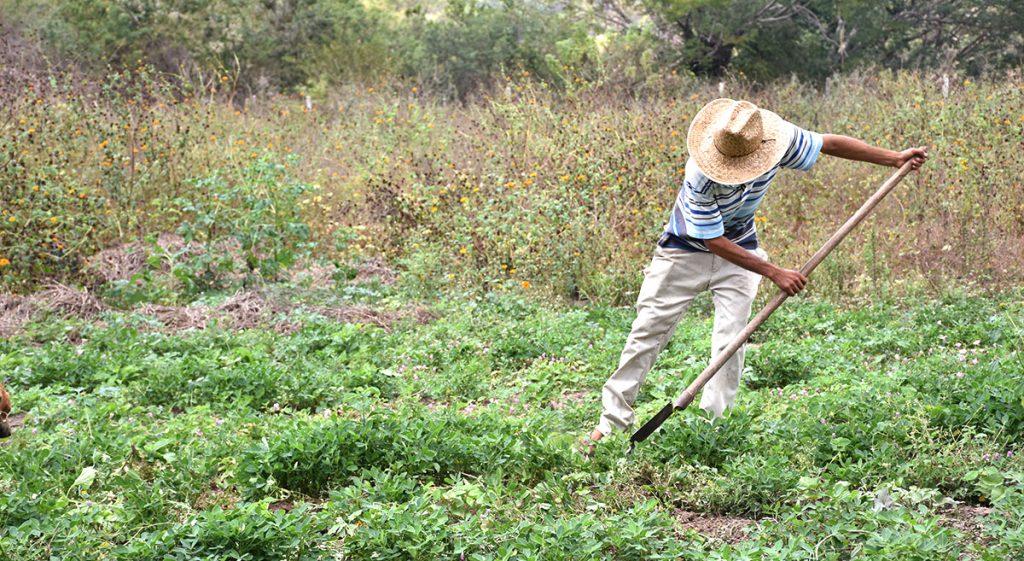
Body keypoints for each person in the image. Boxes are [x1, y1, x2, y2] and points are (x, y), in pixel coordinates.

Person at [582, 98, 927, 453]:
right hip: (683, 253)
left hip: (740, 254)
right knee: (647, 333)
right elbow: (711, 239)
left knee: (732, 341)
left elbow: (829, 143)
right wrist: (773, 271)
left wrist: (893, 158)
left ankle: (714, 429)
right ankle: (610, 426)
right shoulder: (700, 174)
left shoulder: (776, 141)